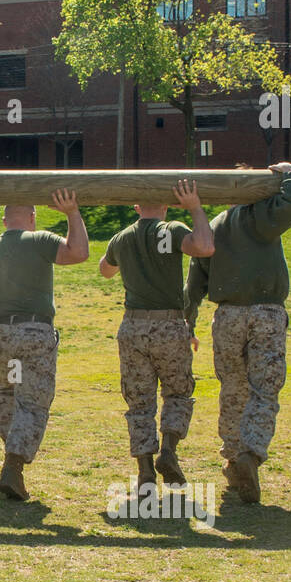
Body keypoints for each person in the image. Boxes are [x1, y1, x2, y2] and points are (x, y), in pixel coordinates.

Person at [185, 162, 291, 503]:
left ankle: (232, 456)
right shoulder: (262, 215)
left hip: (227, 315)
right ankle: (250, 454)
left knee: (233, 388)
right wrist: (288, 174)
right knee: (264, 387)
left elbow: (195, 282)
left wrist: (188, 320)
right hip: (266, 310)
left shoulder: (215, 226)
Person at [0, 189, 88, 500]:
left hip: (1, 337)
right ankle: (13, 464)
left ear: (3, 221)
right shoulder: (40, 240)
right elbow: (79, 253)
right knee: (33, 401)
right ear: (32, 217)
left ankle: (10, 456)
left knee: (8, 393)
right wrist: (72, 213)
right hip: (33, 335)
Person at [99, 180, 215, 493]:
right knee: (177, 393)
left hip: (133, 326)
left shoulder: (121, 237)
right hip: (169, 324)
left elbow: (104, 270)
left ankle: (144, 471)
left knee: (139, 402)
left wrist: (130, 255)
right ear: (166, 204)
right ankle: (169, 451)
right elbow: (205, 246)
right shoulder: (172, 229)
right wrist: (194, 207)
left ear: (136, 207)